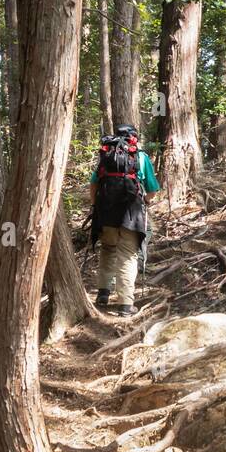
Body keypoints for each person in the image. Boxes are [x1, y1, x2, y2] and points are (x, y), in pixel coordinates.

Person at [89, 124, 159, 316]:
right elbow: (152, 189)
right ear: (134, 138)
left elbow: (94, 183)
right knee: (128, 256)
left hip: (105, 213)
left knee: (108, 249)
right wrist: (145, 200)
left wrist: (96, 205)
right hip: (131, 214)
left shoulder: (107, 155)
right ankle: (125, 305)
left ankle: (103, 293)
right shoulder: (140, 156)